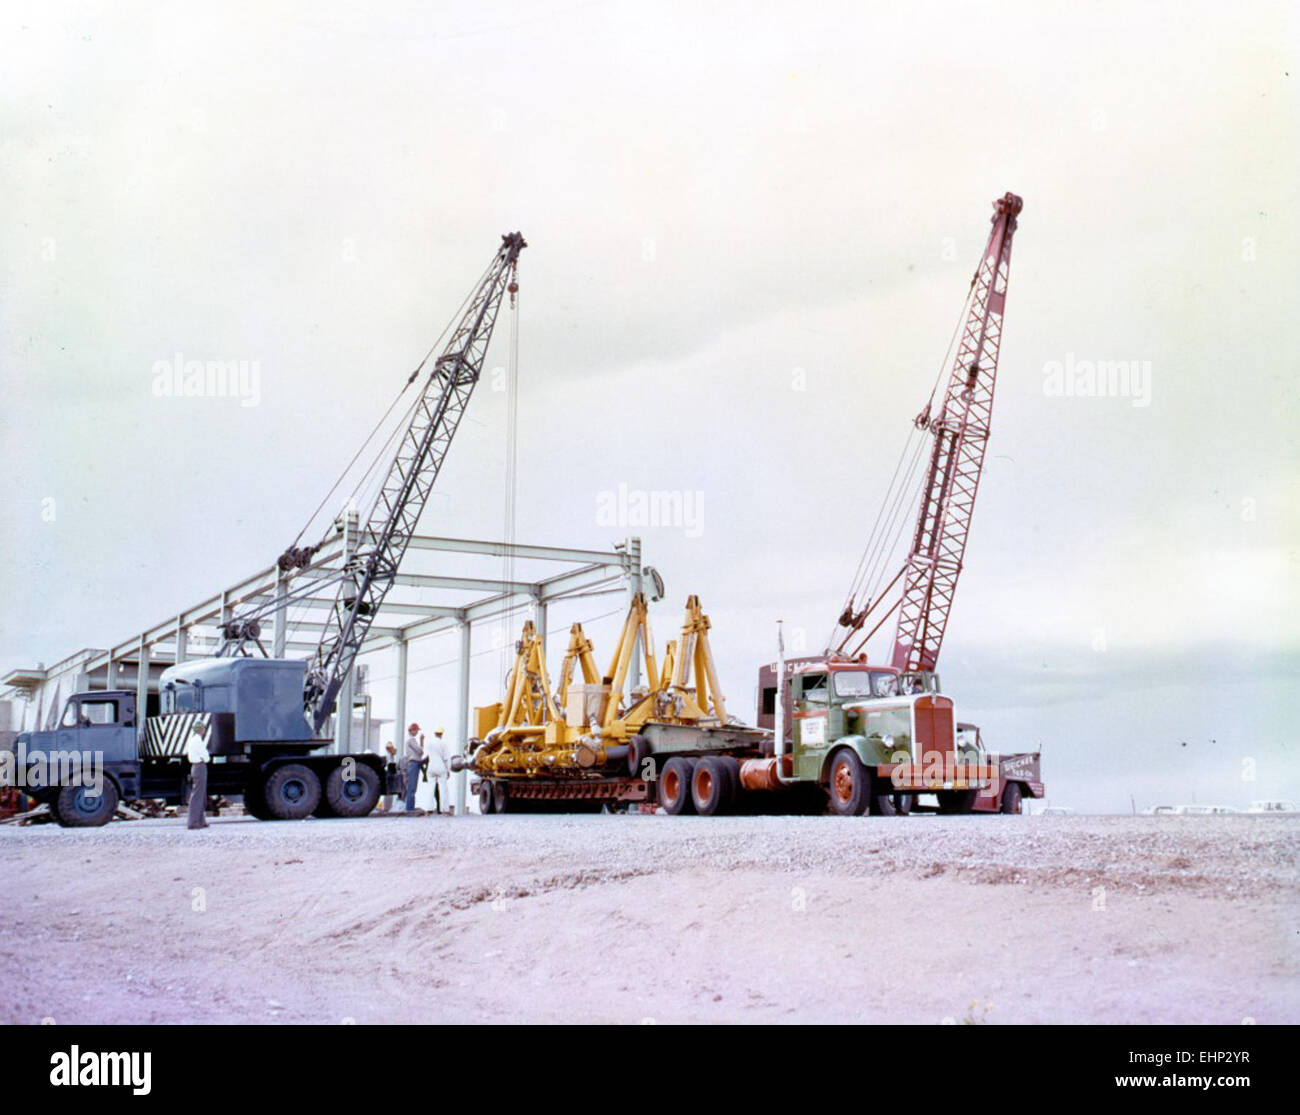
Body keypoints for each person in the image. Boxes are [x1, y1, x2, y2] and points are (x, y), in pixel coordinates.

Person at [185, 721, 210, 830]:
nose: (204, 730)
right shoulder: (198, 741)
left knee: (201, 794)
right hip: (199, 766)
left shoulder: (192, 740)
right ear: (200, 730)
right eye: (203, 728)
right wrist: (206, 758)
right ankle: (193, 821)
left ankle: (200, 820)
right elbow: (205, 756)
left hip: (196, 767)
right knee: (198, 795)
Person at [427, 727, 450, 814]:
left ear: (434, 734)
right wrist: (448, 769)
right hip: (441, 766)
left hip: (431, 766)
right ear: (442, 734)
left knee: (430, 788)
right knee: (443, 788)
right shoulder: (443, 744)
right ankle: (444, 809)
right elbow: (447, 758)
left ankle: (429, 809)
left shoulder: (430, 743)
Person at [403, 723, 425, 813]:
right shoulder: (411, 740)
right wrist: (422, 742)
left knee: (412, 786)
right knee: (412, 786)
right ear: (412, 730)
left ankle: (410, 806)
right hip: (413, 763)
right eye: (416, 730)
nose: (417, 732)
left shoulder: (410, 740)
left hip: (412, 763)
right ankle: (410, 807)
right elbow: (420, 751)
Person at [380, 741, 399, 812]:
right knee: (389, 790)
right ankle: (387, 806)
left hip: (391, 770)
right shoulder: (388, 756)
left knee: (390, 790)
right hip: (390, 771)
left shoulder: (391, 756)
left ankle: (388, 806)